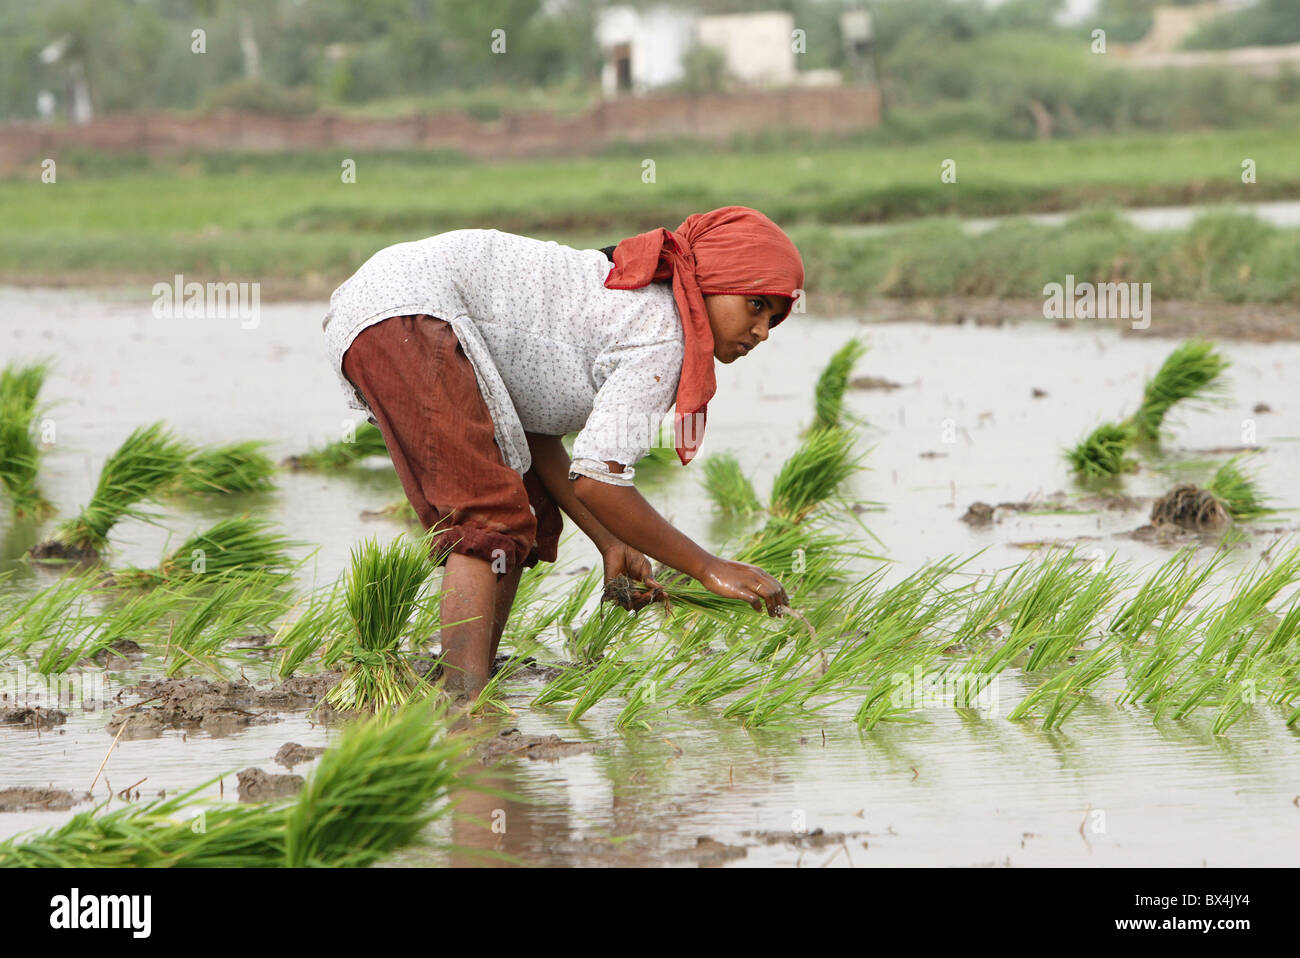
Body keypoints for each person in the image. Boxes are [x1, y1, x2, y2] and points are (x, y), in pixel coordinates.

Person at [322, 205, 803, 697]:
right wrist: (708, 567)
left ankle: (473, 684)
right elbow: (598, 479)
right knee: (489, 518)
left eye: (776, 318)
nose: (762, 331)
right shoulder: (664, 332)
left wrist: (613, 543)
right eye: (756, 305)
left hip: (385, 306)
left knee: (520, 508)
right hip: (410, 312)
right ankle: (462, 707)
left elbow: (538, 441)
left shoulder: (635, 306)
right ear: (713, 281)